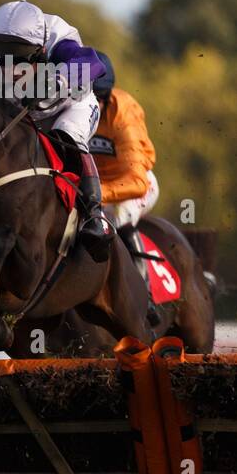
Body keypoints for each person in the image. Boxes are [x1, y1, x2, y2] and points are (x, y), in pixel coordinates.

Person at [0, 0, 114, 260]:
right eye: (2, 56)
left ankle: (95, 216)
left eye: (18, 57)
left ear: (41, 49)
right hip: (28, 111)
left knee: (68, 133)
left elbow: (94, 63)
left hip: (71, 106)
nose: (9, 67)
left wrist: (55, 80)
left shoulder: (58, 38)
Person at [90, 50, 162, 323]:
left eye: (92, 98)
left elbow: (136, 182)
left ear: (105, 95)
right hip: (95, 188)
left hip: (135, 188)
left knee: (116, 219)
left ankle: (146, 293)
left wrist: (95, 195)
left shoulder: (123, 112)